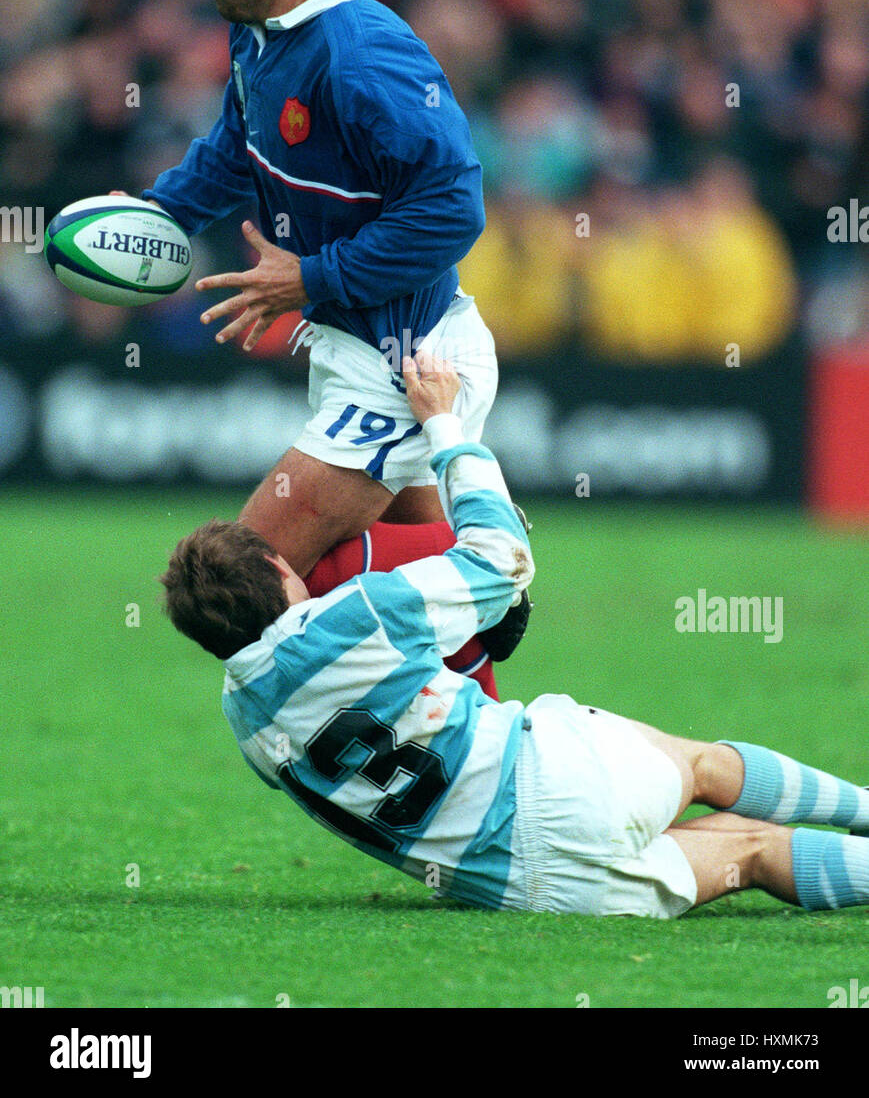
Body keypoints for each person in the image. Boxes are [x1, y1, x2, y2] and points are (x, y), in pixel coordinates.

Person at [161, 353, 869, 918]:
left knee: (751, 853)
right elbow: (502, 559)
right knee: (709, 767)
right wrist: (446, 430)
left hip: (524, 889)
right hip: (562, 785)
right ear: (277, 568)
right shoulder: (355, 615)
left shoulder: (246, 724)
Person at [126, 0, 528, 684]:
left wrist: (310, 279)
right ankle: (493, 747)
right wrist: (151, 219)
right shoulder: (262, 41)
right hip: (358, 355)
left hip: (405, 361)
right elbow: (235, 150)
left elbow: (453, 211)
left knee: (233, 583)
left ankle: (499, 584)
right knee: (443, 626)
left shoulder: (363, 56)